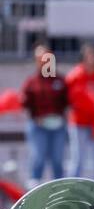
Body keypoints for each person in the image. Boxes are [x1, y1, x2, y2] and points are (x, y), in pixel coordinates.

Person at [20, 43, 67, 186]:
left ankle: (61, 190)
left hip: (57, 126)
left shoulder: (59, 80)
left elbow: (67, 101)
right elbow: (25, 102)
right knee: (38, 159)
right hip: (38, 126)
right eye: (41, 58)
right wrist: (37, 117)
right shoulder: (32, 82)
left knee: (57, 160)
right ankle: (33, 194)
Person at [65, 43, 94, 182]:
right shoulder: (75, 76)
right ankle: (71, 190)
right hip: (79, 122)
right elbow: (69, 99)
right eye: (88, 55)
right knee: (78, 159)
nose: (91, 59)